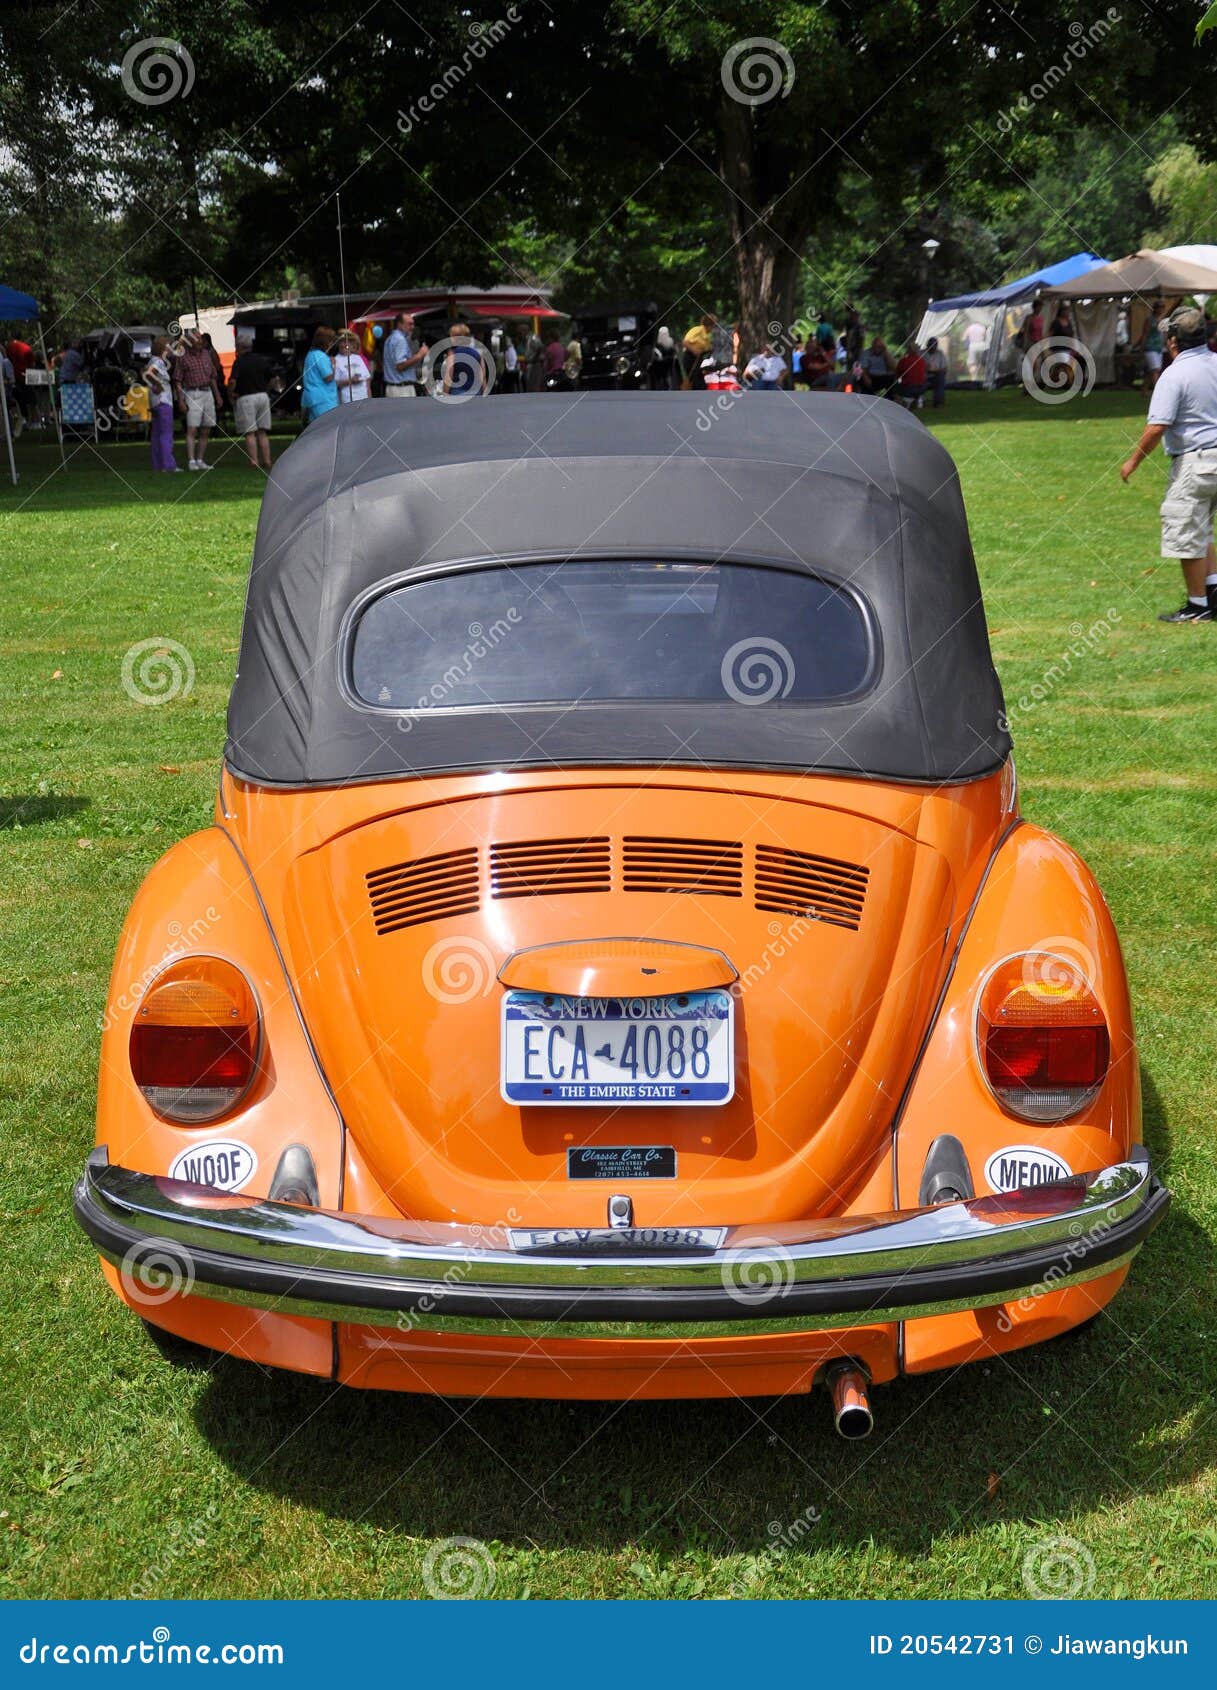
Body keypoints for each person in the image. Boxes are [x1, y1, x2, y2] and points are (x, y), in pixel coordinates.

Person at [1120, 305, 1217, 623]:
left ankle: (1198, 606)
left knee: (1186, 531)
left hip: (1195, 463)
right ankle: (1214, 592)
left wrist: (1133, 461)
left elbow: (1157, 426)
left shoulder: (1174, 375)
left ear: (1174, 341)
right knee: (1203, 527)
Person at [172, 327, 223, 470]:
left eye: (200, 338)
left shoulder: (206, 354)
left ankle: (200, 459)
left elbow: (212, 376)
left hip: (207, 392)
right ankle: (191, 460)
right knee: (192, 428)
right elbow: (178, 380)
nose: (200, 341)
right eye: (197, 338)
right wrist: (181, 400)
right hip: (192, 393)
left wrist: (217, 395)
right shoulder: (182, 357)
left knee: (206, 428)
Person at [228, 330, 274, 468]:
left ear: (240, 347)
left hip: (246, 398)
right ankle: (267, 460)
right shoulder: (261, 359)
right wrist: (267, 390)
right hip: (262, 396)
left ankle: (254, 461)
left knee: (249, 432)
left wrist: (230, 394)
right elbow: (272, 378)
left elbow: (232, 382)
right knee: (262, 431)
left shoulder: (239, 362)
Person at [142, 334, 178, 472]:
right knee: (166, 434)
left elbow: (144, 372)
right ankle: (168, 465)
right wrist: (158, 384)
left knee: (156, 434)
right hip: (164, 401)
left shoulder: (152, 360)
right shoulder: (159, 362)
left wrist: (153, 385)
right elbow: (149, 374)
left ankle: (158, 464)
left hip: (155, 402)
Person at [382, 311, 426, 397]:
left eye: (413, 324)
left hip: (393, 387)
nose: (412, 327)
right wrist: (420, 355)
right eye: (409, 324)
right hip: (402, 389)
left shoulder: (390, 338)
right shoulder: (400, 340)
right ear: (400, 324)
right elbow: (400, 366)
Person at [300, 325, 339, 424]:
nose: (332, 343)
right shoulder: (321, 356)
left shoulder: (311, 354)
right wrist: (333, 365)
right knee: (326, 427)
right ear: (326, 341)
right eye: (331, 341)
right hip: (323, 400)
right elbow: (328, 377)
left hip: (312, 398)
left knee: (315, 429)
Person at [333, 330, 372, 405]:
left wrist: (369, 399)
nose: (345, 345)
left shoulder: (358, 358)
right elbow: (335, 383)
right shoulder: (336, 360)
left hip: (363, 398)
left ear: (351, 344)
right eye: (342, 342)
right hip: (347, 401)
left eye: (347, 342)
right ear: (338, 344)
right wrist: (350, 381)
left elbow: (367, 380)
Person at [680, 317, 713, 389]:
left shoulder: (707, 336)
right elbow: (685, 342)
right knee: (697, 382)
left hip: (698, 359)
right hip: (690, 358)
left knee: (699, 382)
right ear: (709, 325)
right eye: (713, 326)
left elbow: (706, 348)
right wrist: (694, 350)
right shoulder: (697, 330)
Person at [1141, 301, 1165, 391]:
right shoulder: (1149, 319)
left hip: (1159, 347)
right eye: (1160, 307)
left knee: (1151, 370)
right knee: (1156, 369)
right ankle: (1158, 390)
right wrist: (1142, 347)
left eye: (1163, 307)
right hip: (1150, 347)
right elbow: (1145, 334)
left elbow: (1164, 334)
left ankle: (1144, 389)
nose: (1162, 309)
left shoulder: (1163, 320)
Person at [895, 342, 928, 407]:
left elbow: (897, 375)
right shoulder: (922, 361)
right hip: (921, 388)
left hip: (908, 388)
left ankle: (901, 400)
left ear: (908, 350)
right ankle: (917, 398)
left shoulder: (903, 361)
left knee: (893, 384)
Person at [924, 336, 948, 408]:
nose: (932, 349)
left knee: (940, 378)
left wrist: (934, 370)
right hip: (924, 375)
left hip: (936, 375)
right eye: (930, 346)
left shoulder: (940, 354)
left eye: (933, 346)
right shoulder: (922, 353)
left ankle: (938, 402)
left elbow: (944, 368)